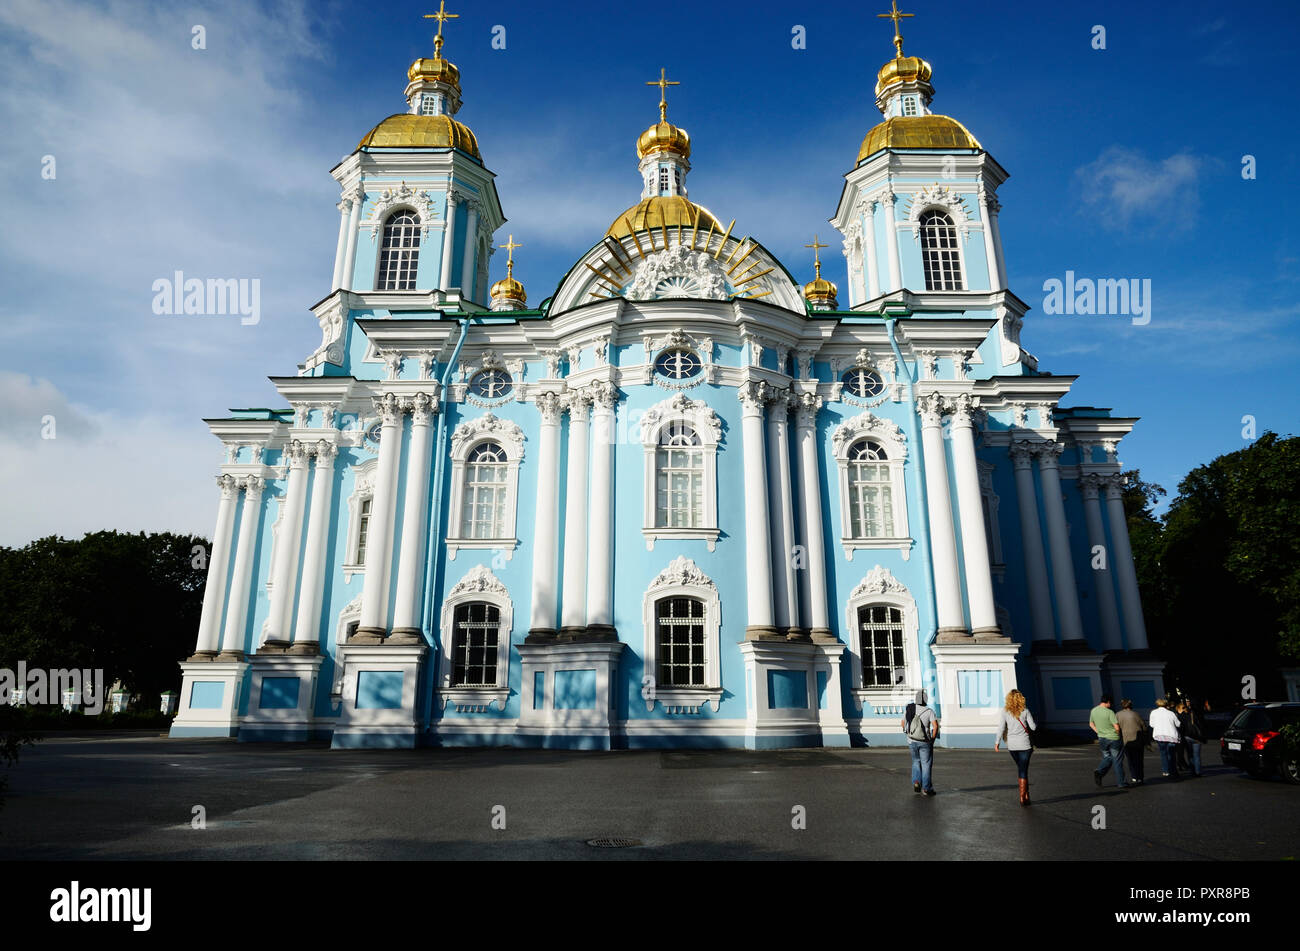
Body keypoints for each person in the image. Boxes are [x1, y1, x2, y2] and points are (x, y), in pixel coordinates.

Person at [994, 688, 1037, 805]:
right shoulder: (1025, 710)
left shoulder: (1005, 711)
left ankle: (1026, 794)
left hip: (1012, 746)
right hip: (1025, 745)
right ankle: (1023, 797)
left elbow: (1001, 728)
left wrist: (997, 742)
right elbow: (1033, 727)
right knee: (1023, 770)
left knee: (1022, 769)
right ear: (1020, 699)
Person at [901, 688, 939, 796]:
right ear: (925, 699)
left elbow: (903, 723)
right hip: (925, 742)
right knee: (926, 764)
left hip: (912, 741)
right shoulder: (929, 711)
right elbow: (935, 726)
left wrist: (909, 734)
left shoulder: (909, 708)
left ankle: (917, 782)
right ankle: (926, 789)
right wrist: (932, 739)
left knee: (916, 762)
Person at [1089, 694, 1126, 788]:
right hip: (1113, 738)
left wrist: (1098, 731)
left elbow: (1091, 724)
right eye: (1111, 703)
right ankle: (1121, 783)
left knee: (1107, 757)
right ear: (1108, 702)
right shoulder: (1110, 712)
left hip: (1102, 738)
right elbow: (1116, 727)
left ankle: (1099, 771)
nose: (1111, 705)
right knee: (1117, 760)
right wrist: (1118, 734)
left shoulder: (1094, 710)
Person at [1116, 698, 1146, 785]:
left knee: (1130, 759)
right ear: (1130, 705)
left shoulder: (1117, 714)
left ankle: (1134, 776)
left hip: (1126, 741)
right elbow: (1143, 726)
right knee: (1139, 759)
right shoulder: (1135, 714)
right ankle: (1140, 777)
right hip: (1138, 740)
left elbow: (1116, 728)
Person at [1149, 697, 1182, 779]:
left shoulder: (1153, 712)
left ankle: (1166, 771)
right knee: (1172, 754)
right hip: (1171, 735)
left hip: (1159, 735)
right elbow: (1178, 724)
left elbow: (1151, 725)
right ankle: (1173, 771)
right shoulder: (1171, 713)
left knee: (1163, 754)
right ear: (1166, 704)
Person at [1177, 699, 1205, 777]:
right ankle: (1198, 772)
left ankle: (1192, 771)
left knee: (1190, 755)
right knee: (1197, 756)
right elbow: (1201, 725)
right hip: (1197, 737)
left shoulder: (1181, 716)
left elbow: (1180, 727)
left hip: (1187, 737)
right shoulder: (1195, 714)